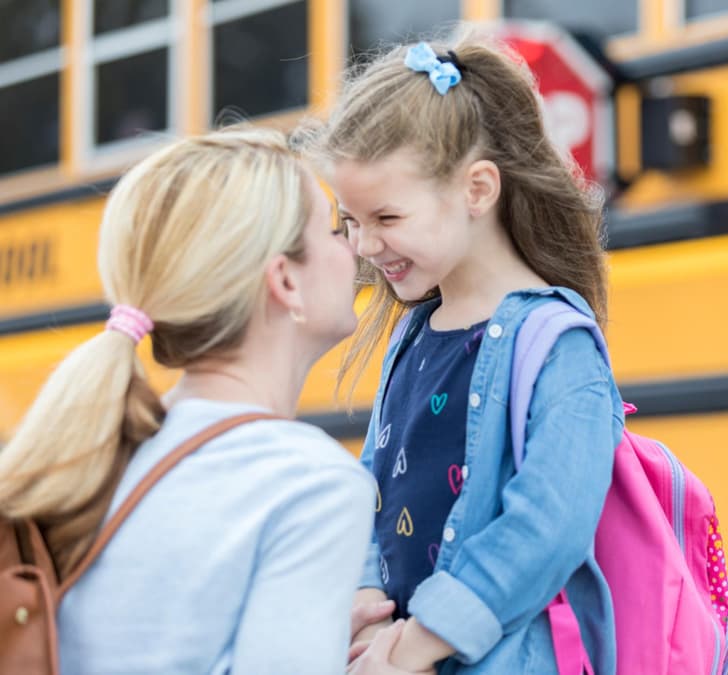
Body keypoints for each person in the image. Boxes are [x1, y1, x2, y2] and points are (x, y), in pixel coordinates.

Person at [0, 127, 392, 674]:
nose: (353, 246)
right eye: (331, 229)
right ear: (284, 280)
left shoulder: (94, 455)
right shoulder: (310, 484)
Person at [303, 34, 625, 675]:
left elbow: (547, 529)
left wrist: (423, 639)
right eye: (351, 221)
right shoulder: (413, 332)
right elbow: (374, 483)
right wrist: (368, 595)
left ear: (478, 189)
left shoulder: (558, 345)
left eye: (387, 217)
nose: (365, 245)